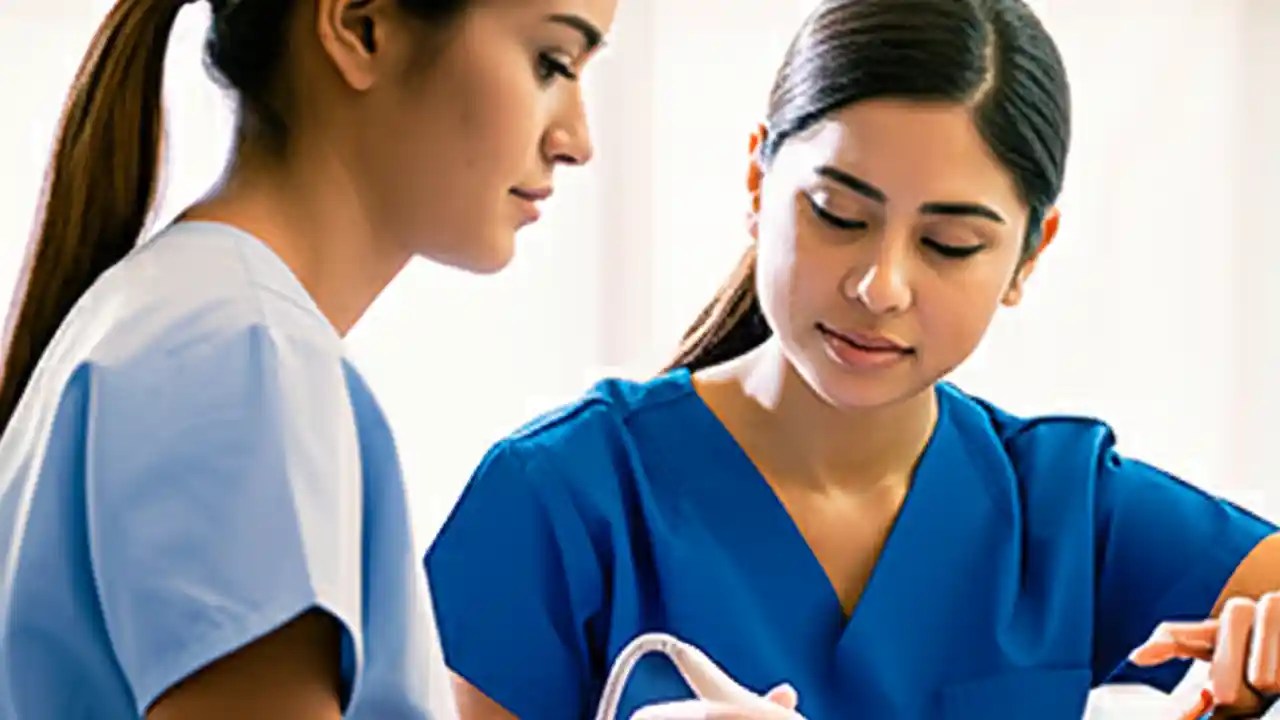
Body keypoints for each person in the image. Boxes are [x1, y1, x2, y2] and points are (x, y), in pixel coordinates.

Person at [423, 0, 1280, 718]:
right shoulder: (563, 500)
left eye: (949, 244)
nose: (881, 286)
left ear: (1028, 255)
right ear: (759, 185)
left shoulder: (1066, 513)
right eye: (837, 214)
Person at [0, 0, 616, 717]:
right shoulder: (240, 354)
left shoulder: (182, 318)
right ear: (360, 28)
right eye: (550, 63)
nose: (577, 140)